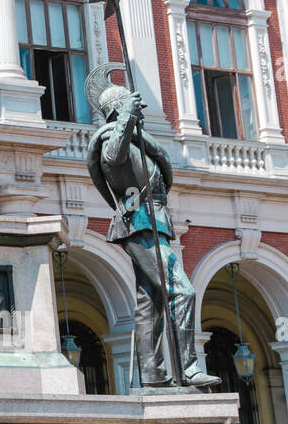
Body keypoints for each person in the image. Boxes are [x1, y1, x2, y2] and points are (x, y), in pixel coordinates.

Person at [84, 65, 219, 389]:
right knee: (181, 291)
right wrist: (126, 118)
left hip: (154, 223)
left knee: (151, 303)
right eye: (134, 108)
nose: (141, 113)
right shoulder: (110, 142)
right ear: (120, 110)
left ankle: (154, 373)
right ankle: (188, 368)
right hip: (139, 225)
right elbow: (114, 159)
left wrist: (130, 122)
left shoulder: (141, 145)